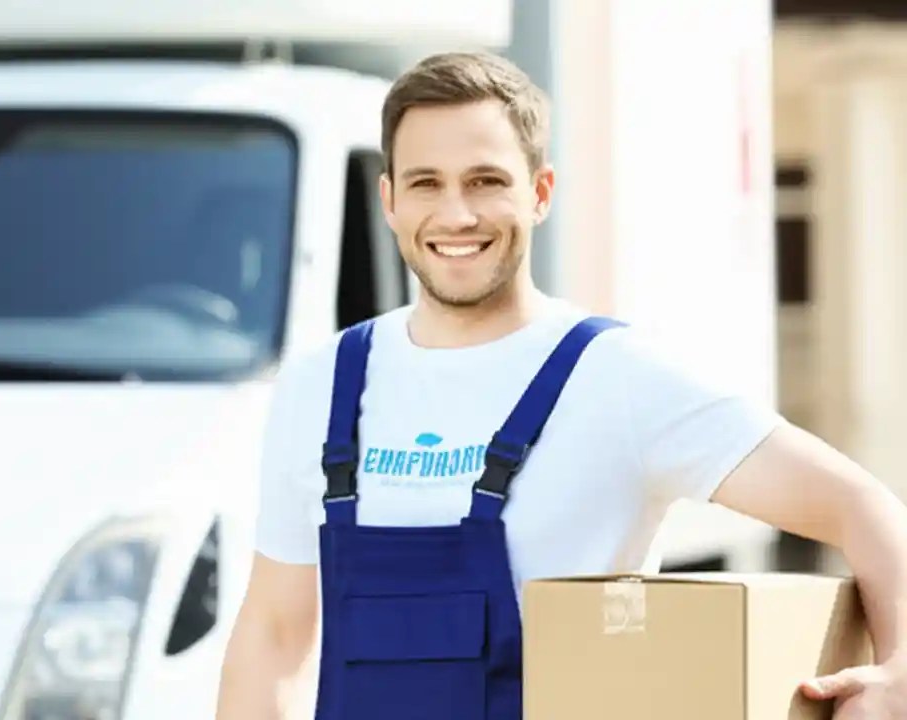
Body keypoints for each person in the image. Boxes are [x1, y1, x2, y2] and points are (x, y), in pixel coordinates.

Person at [214, 50, 907, 720]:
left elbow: (862, 507)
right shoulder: (322, 385)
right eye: (426, 183)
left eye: (485, 181)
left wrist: (900, 673)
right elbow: (273, 635)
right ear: (390, 200)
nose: (456, 215)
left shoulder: (617, 377)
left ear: (540, 193)